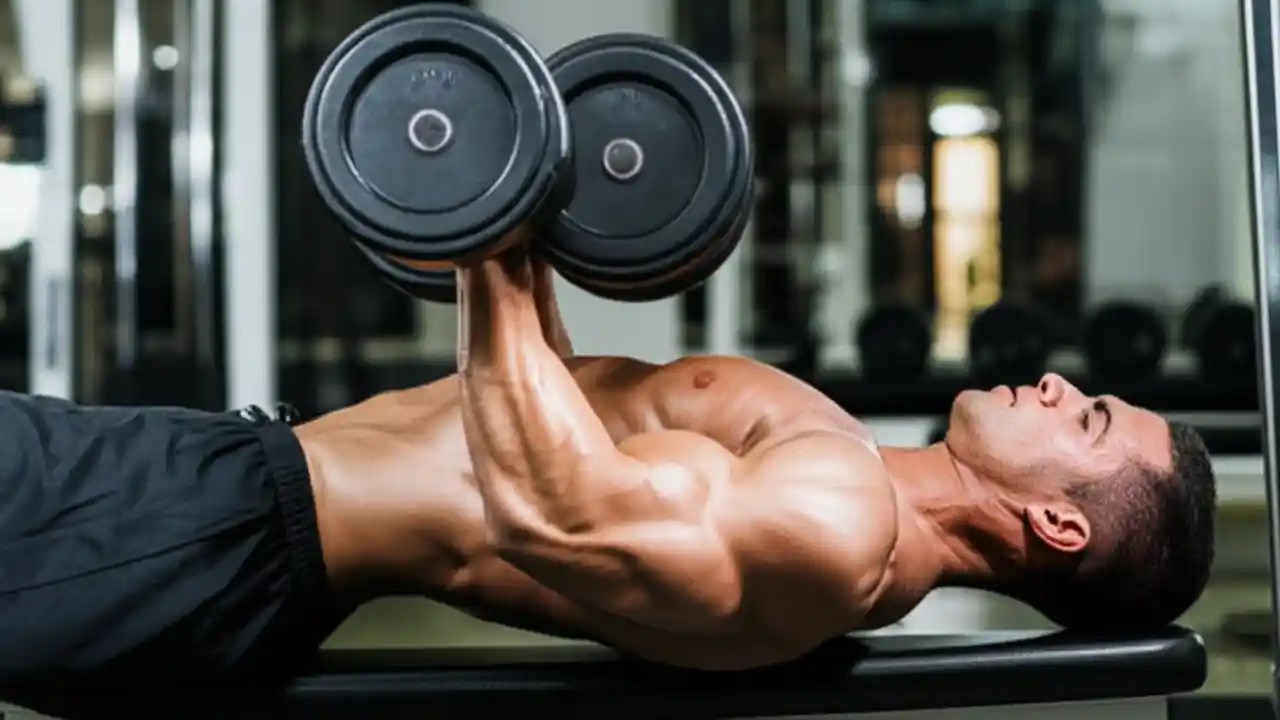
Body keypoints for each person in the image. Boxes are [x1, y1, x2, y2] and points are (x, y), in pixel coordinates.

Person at [0, 245, 1216, 699]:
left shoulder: (840, 530)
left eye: (1091, 418)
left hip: (216, 540)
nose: (1060, 384)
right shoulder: (847, 462)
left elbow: (554, 513)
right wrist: (522, 241)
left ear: (1056, 523)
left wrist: (478, 238)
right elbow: (561, 409)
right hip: (211, 486)